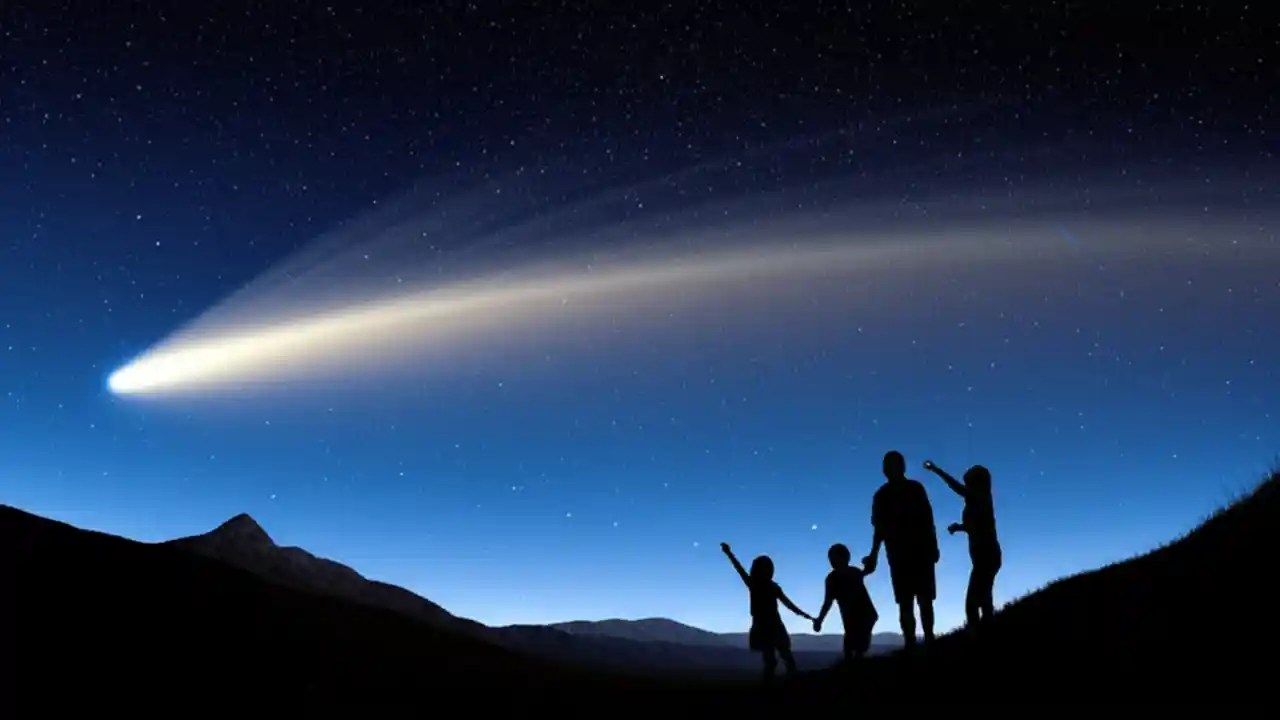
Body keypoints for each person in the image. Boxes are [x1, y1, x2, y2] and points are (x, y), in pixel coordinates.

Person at [863, 450, 939, 649]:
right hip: (903, 555)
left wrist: (874, 555)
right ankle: (914, 642)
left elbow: (927, 519)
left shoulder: (906, 491)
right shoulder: (886, 495)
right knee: (910, 602)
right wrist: (874, 555)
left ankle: (923, 639)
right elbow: (879, 529)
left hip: (914, 553)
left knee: (919, 600)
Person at [924, 459, 1002, 635]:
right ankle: (989, 635)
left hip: (986, 556)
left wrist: (937, 470)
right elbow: (977, 526)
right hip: (986, 556)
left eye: (969, 483)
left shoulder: (980, 497)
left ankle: (975, 639)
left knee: (973, 603)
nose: (966, 486)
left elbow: (957, 488)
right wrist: (959, 527)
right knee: (984, 598)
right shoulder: (979, 501)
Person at [720, 542, 813, 682]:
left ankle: (772, 684)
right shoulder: (768, 586)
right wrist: (805, 615)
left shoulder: (756, 584)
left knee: (773, 658)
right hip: (771, 624)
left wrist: (729, 553)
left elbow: (739, 569)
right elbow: (789, 604)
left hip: (765, 625)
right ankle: (786, 682)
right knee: (782, 655)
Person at [812, 542, 878, 663]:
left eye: (833, 558)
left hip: (861, 616)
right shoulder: (847, 574)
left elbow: (827, 603)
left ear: (844, 558)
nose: (832, 561)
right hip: (859, 616)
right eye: (830, 558)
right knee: (853, 646)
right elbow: (827, 602)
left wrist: (819, 621)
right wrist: (820, 620)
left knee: (853, 646)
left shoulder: (838, 577)